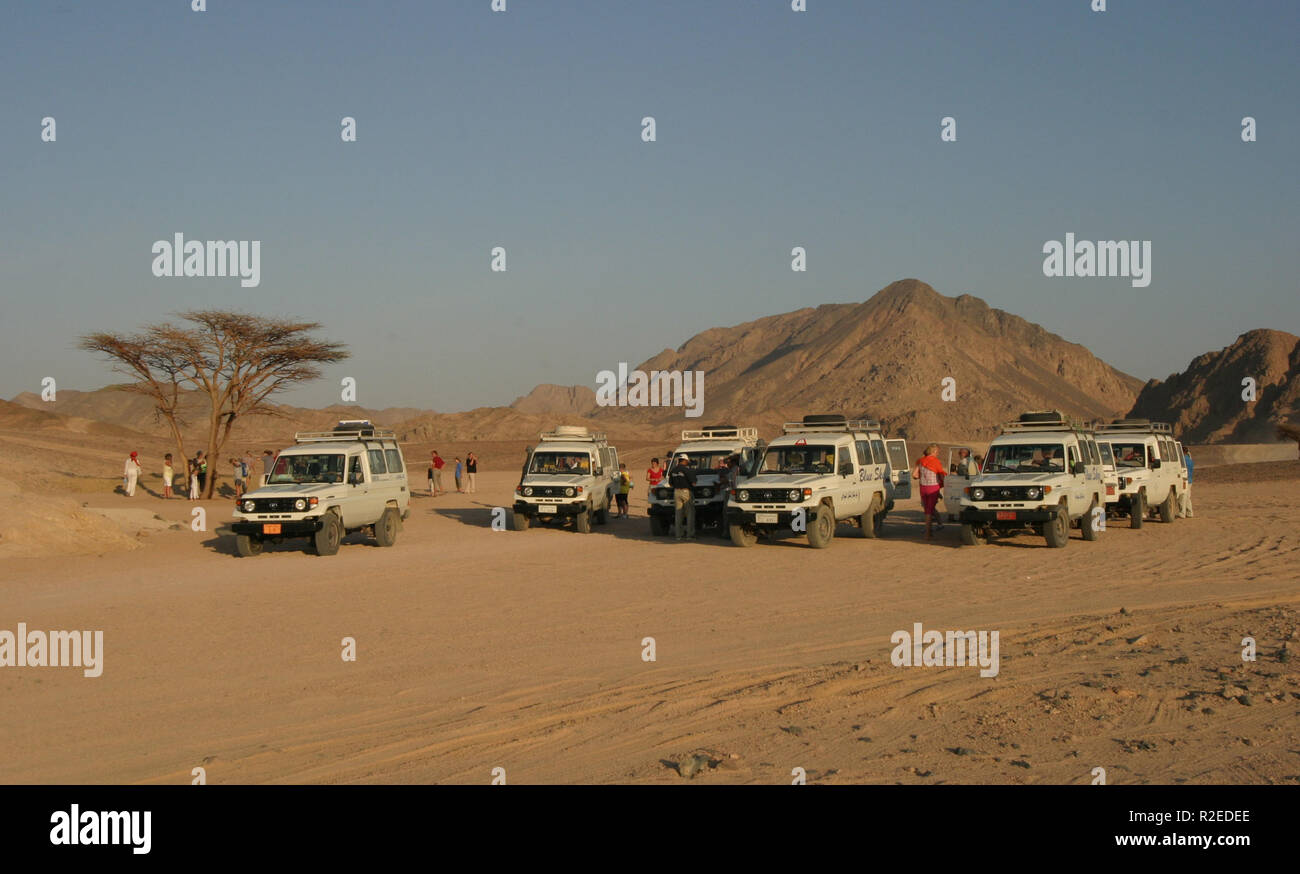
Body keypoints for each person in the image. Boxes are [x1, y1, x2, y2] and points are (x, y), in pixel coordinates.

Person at [912, 444, 945, 540]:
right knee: (930, 511)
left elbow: (914, 475)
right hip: (933, 488)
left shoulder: (920, 461)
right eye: (937, 452)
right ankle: (927, 534)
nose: (938, 454)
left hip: (923, 488)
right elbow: (942, 476)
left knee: (927, 509)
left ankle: (929, 532)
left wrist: (923, 476)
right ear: (934, 451)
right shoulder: (935, 461)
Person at [669, 454, 697, 540]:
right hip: (686, 492)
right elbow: (694, 483)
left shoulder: (673, 470)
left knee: (678, 514)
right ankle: (689, 535)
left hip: (676, 492)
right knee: (689, 514)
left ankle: (678, 535)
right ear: (685, 460)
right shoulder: (686, 470)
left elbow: (670, 484)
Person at [1181, 449, 1195, 518]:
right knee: (1187, 497)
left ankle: (1182, 513)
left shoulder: (1183, 460)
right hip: (1190, 480)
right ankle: (1189, 512)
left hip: (1184, 480)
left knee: (1183, 497)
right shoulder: (1190, 460)